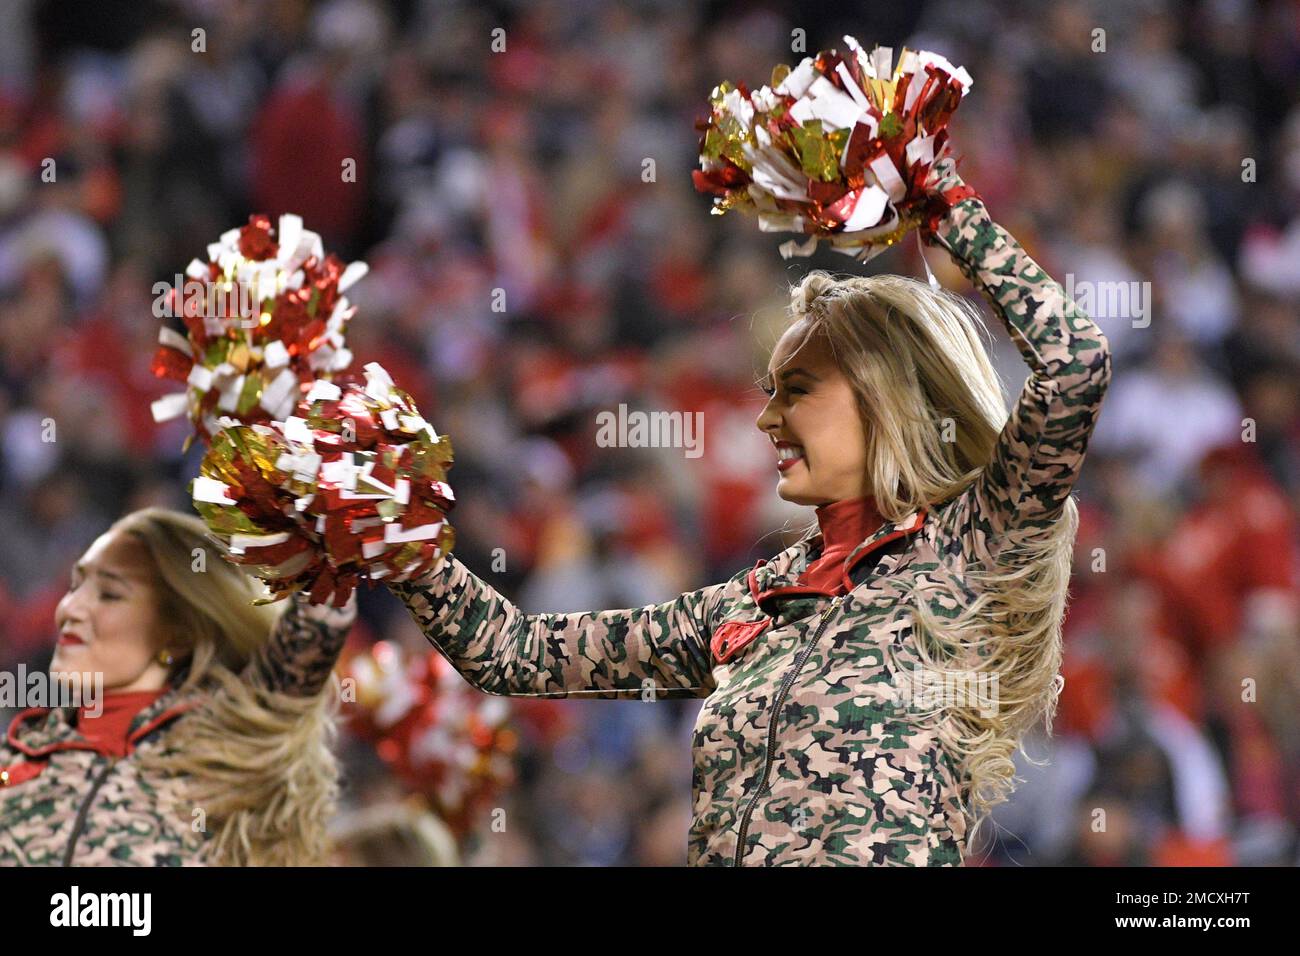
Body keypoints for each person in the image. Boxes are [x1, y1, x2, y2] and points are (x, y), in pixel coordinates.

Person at [388, 158, 1113, 866]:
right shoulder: (758, 600)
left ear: (883, 401)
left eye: (795, 391)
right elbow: (515, 654)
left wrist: (943, 199)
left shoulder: (967, 546)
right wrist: (398, 532)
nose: (766, 420)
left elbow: (1075, 363)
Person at [0, 508, 355, 865]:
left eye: (109, 594)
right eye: (75, 586)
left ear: (180, 634)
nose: (69, 608)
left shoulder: (225, 751)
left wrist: (321, 509)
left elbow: (319, 620)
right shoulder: (19, 755)